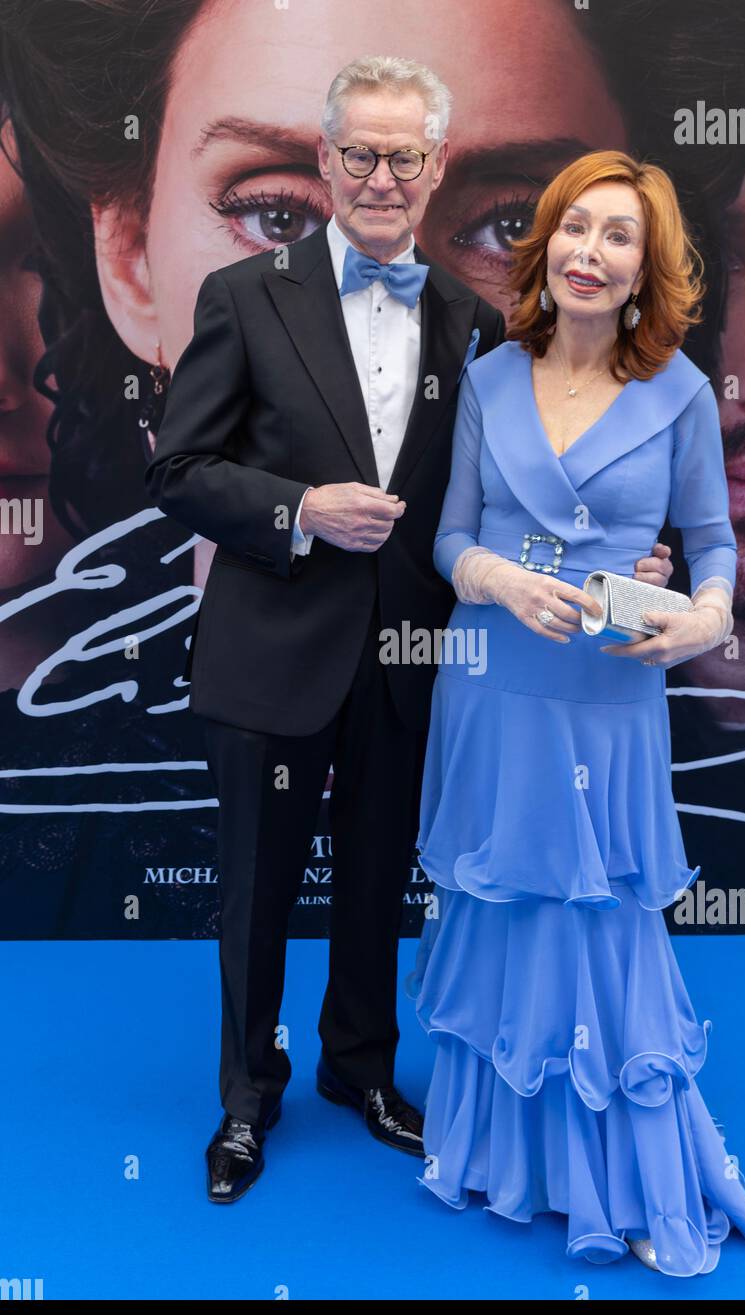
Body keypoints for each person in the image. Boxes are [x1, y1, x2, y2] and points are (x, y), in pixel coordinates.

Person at [145, 56, 679, 1204]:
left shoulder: (469, 321)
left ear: (435, 168)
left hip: (410, 659)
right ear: (327, 159)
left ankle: (363, 1070)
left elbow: (503, 497)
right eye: (359, 153)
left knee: (382, 879)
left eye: (405, 156)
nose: (381, 177)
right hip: (270, 651)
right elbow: (179, 469)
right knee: (256, 889)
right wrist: (297, 510)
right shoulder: (245, 295)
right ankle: (246, 1100)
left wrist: (625, 567)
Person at [408, 150, 745, 1275]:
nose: (590, 251)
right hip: (492, 688)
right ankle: (504, 1160)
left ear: (645, 269)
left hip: (610, 699)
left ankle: (617, 1176)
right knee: (505, 911)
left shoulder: (680, 395)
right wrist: (497, 581)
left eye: (618, 236)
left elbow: (712, 546)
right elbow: (447, 536)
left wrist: (705, 614)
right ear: (547, 247)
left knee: (602, 922)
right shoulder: (487, 377)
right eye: (575, 228)